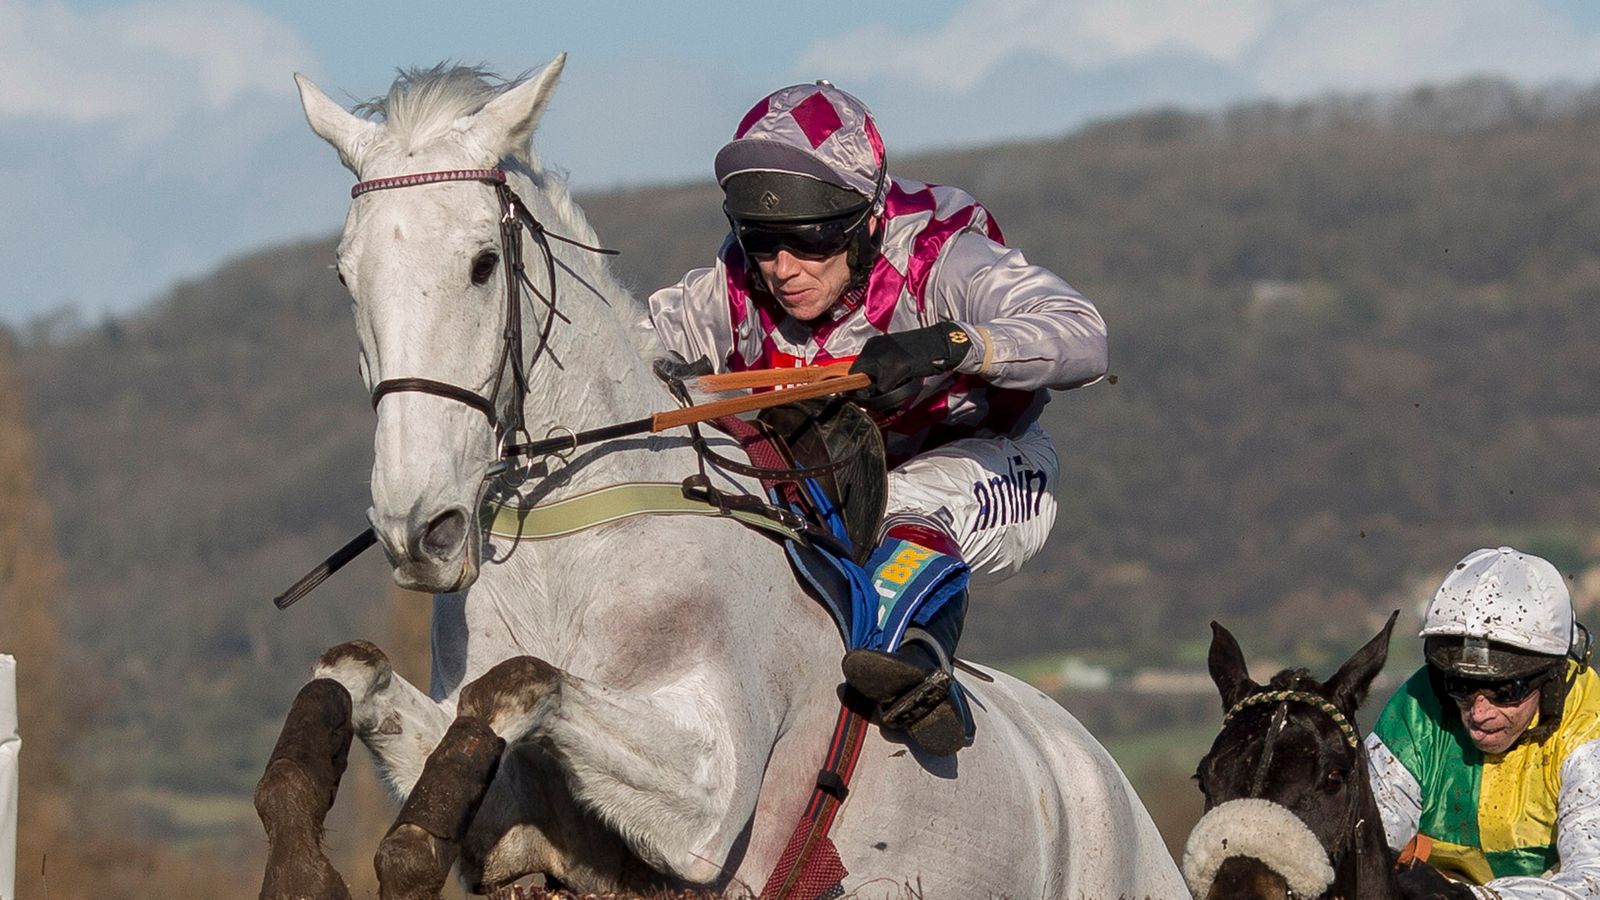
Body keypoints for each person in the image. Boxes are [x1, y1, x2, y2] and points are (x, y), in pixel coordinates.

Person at [647, 81, 1107, 755]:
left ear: (865, 222)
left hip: (994, 465)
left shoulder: (942, 255)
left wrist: (951, 345)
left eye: (809, 242)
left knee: (902, 501)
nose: (783, 269)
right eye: (762, 241)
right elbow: (627, 352)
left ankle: (919, 668)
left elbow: (1084, 335)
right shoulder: (733, 283)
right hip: (827, 489)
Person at [1366, 546, 1600, 899]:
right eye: (1461, 686)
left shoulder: (1589, 726)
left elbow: (1592, 881)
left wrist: (1472, 897)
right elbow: (1365, 846)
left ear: (1551, 682)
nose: (1479, 713)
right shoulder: (1418, 705)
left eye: (1505, 691)